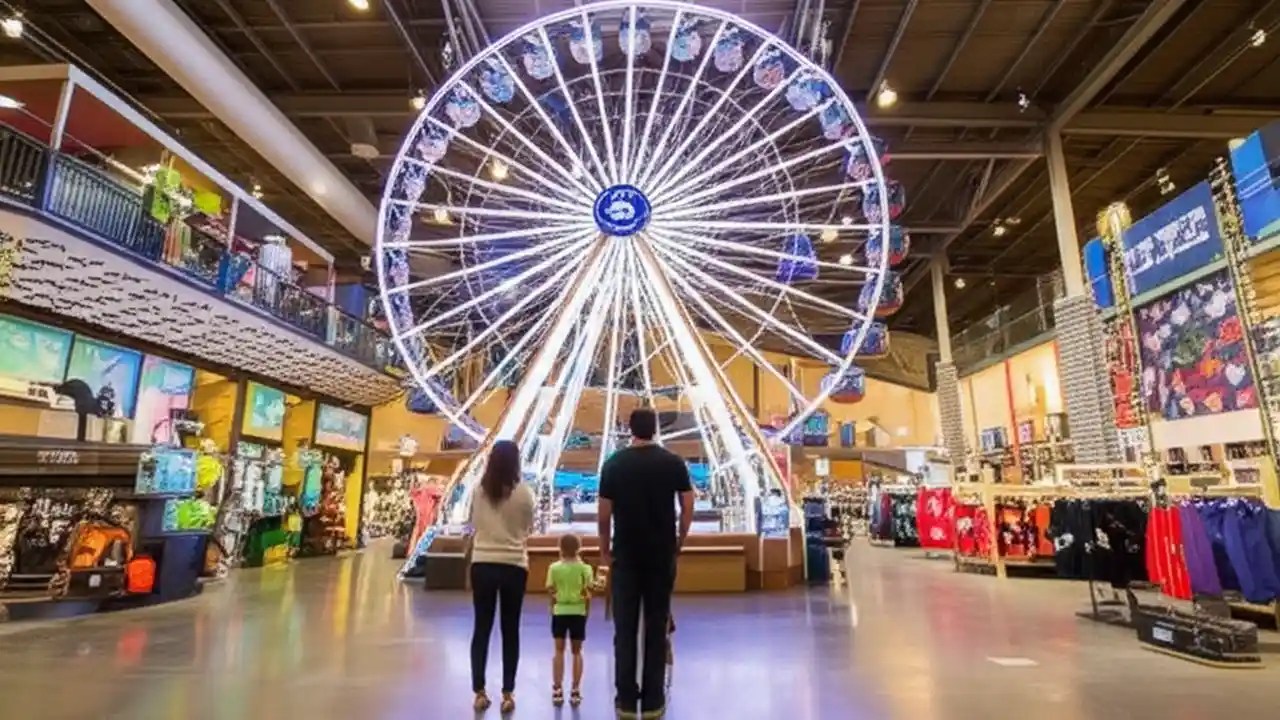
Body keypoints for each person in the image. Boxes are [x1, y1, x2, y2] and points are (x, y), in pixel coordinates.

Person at [598, 408, 694, 719]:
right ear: (655, 429)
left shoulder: (614, 464)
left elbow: (603, 514)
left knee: (624, 629)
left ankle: (625, 699)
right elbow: (688, 504)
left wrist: (604, 551)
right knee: (656, 625)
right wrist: (679, 539)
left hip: (625, 555)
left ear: (630, 429)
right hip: (660, 555)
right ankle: (653, 701)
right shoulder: (673, 462)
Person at [469, 440, 535, 713]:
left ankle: (479, 691)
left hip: (482, 563)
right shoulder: (524, 493)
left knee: (481, 628)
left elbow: (473, 524)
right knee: (511, 630)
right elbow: (528, 527)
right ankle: (508, 692)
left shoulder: (478, 491)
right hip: (513, 565)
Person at [545, 532, 593, 707]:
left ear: (561, 548)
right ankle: (575, 690)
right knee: (577, 651)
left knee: (558, 651)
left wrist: (555, 602)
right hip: (578, 612)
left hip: (560, 612)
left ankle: (557, 689)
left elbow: (550, 589)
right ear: (578, 548)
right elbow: (589, 592)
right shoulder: (585, 569)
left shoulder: (554, 568)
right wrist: (586, 609)